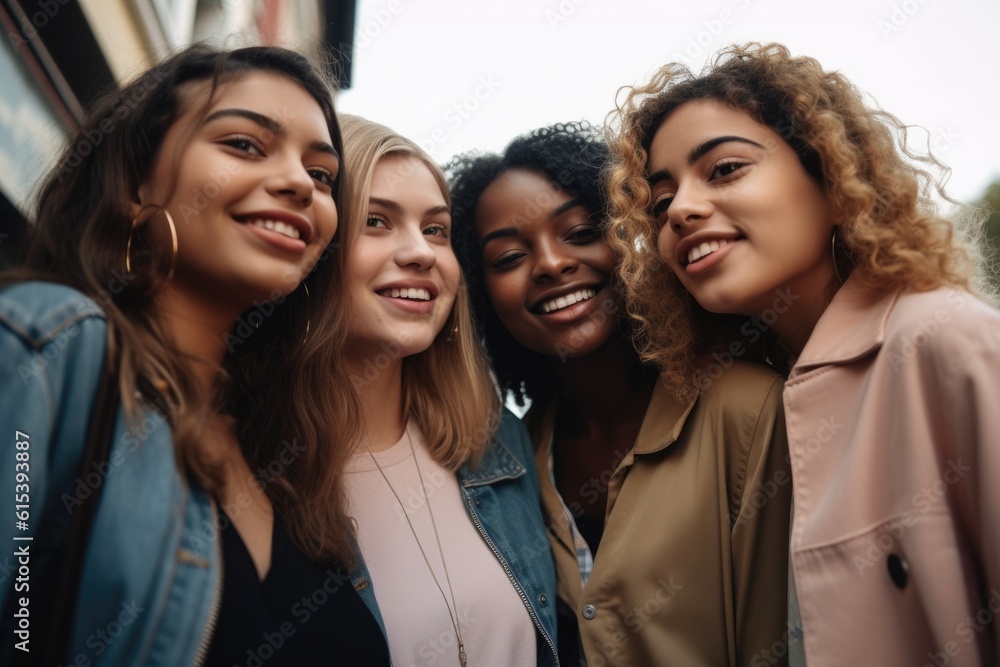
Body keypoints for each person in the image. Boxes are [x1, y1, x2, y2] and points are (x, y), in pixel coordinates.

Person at [607, 42, 1000, 667]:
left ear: (833, 178)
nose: (680, 209)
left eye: (726, 168)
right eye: (660, 202)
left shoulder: (942, 342)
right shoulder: (756, 399)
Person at [0, 44, 389, 666]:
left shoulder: (286, 446)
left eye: (321, 175)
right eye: (243, 144)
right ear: (133, 184)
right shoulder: (48, 344)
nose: (298, 184)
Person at [447, 121, 792, 667]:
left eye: (581, 232)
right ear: (482, 297)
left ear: (632, 235)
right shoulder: (516, 454)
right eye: (509, 258)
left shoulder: (744, 406)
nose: (552, 263)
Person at [334, 114, 559, 667]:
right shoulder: (251, 469)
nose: (422, 253)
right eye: (376, 221)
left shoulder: (497, 444)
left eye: (436, 229)